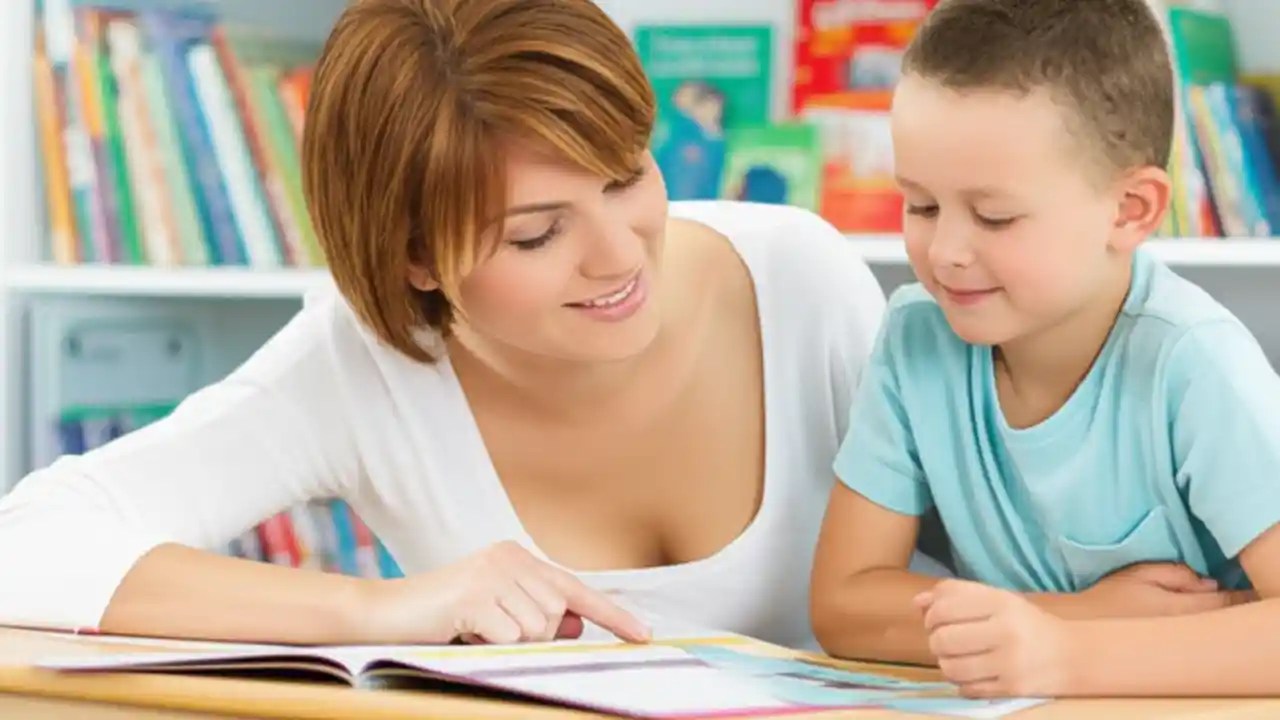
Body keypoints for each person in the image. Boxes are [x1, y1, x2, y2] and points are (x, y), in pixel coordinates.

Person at [0, 0, 904, 651]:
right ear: (415, 258)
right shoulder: (358, 364)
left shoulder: (799, 278)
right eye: (537, 234)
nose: (619, 254)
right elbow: (26, 547)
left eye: (627, 177)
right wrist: (381, 610)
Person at [810, 0, 1280, 698]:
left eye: (994, 216)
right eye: (922, 205)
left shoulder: (1193, 362)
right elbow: (843, 605)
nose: (944, 253)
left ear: (1131, 210)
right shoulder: (916, 340)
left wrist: (1069, 654)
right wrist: (1079, 621)